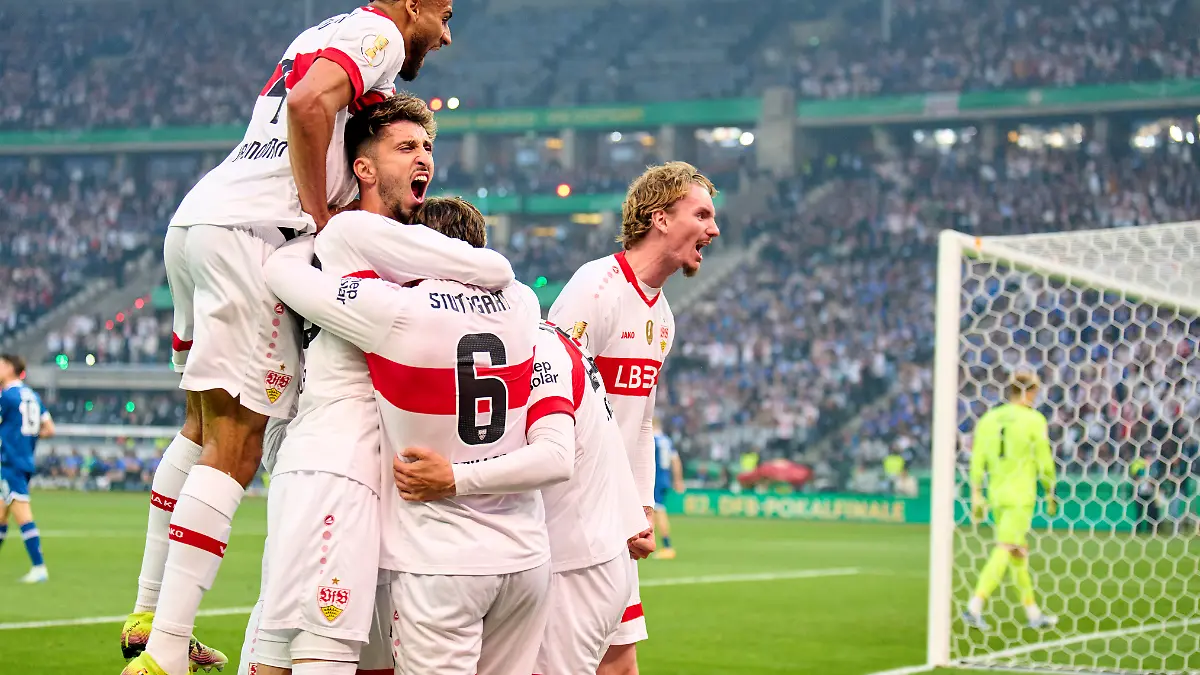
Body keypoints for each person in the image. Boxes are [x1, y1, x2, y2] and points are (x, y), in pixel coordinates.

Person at [123, 3, 454, 674]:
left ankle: (151, 614)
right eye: (443, 14)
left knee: (199, 427)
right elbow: (308, 105)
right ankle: (162, 655)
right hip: (257, 230)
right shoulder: (381, 33)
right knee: (236, 442)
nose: (445, 35)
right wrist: (318, 214)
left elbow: (308, 102)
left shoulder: (320, 31)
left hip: (200, 220)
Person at [248, 99, 516, 675]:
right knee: (324, 649)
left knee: (280, 640)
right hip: (339, 467)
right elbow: (493, 270)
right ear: (364, 169)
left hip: (336, 467)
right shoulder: (355, 239)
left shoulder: (348, 250)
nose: (424, 159)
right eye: (406, 148)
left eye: (428, 148)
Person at [267, 196, 561, 675]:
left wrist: (317, 234)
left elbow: (282, 274)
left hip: (441, 560)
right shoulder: (525, 303)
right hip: (526, 556)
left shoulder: (395, 309)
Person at [395, 320, 651, 674]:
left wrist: (453, 478)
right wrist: (632, 519)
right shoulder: (549, 336)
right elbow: (600, 440)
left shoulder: (539, 346)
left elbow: (556, 457)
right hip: (590, 553)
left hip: (576, 565)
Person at [548, 161, 720, 675]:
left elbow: (640, 421)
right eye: (702, 214)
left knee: (620, 664)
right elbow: (548, 406)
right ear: (659, 217)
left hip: (614, 519)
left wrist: (641, 506)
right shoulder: (595, 287)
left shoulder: (662, 317)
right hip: (571, 521)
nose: (713, 230)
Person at [963, 371, 1059, 631]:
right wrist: (1051, 491)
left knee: (1018, 552)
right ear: (1028, 393)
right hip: (1020, 496)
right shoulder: (1033, 419)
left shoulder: (988, 419)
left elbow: (977, 460)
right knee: (1006, 547)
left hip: (996, 495)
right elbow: (1045, 463)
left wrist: (976, 493)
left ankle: (1033, 614)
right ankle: (974, 606)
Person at [0, 354, 55, 583]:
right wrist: (26, 439)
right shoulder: (32, 395)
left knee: (22, 514)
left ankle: (39, 567)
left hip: (9, 462)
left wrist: (15, 440)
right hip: (23, 459)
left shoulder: (7, 396)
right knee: (1, 515)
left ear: (12, 368)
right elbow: (49, 428)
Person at [651, 421, 684, 559]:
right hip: (665, 478)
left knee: (658, 511)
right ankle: (648, 543)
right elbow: (676, 460)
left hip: (655, 479)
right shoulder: (667, 441)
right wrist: (678, 480)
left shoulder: (652, 440)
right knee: (652, 511)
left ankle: (667, 546)